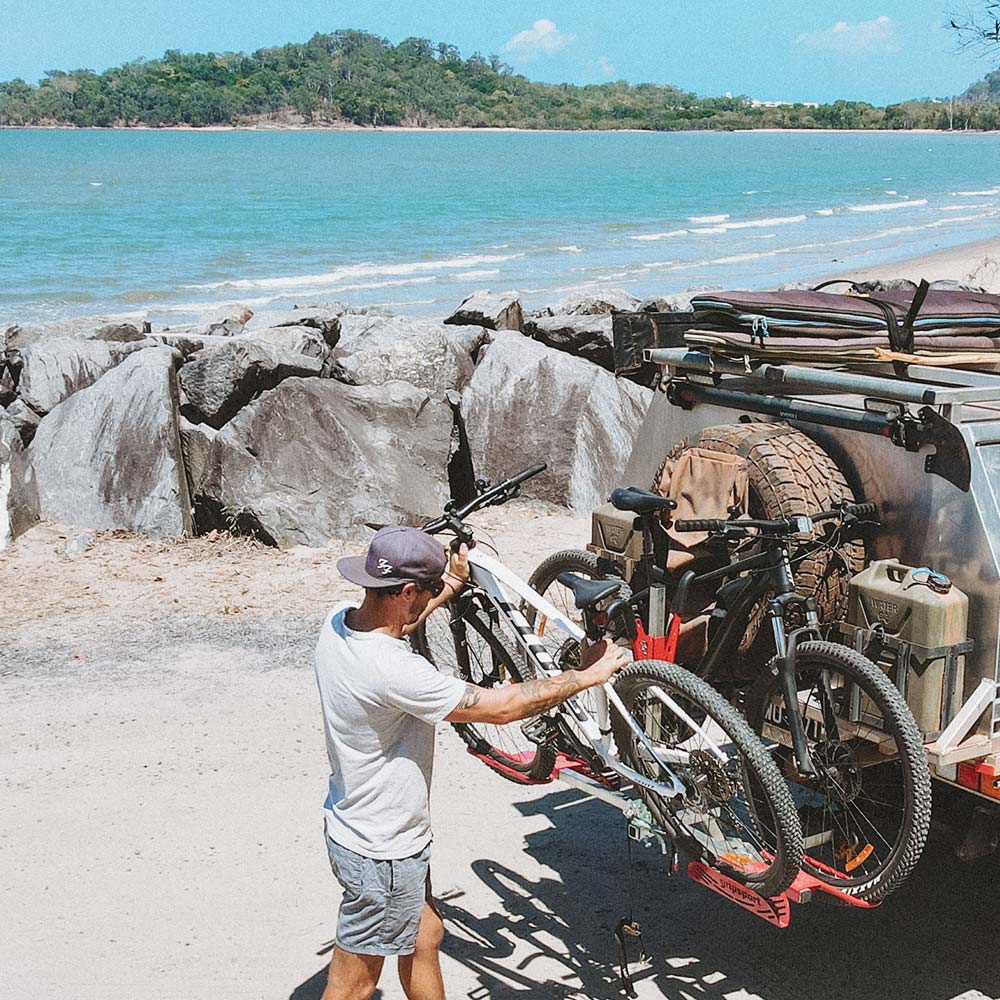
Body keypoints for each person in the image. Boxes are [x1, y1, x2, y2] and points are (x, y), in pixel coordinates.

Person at [315, 524, 628, 1000]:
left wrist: (452, 586)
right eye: (428, 590)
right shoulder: (395, 670)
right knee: (356, 985)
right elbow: (501, 707)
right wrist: (586, 676)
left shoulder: (340, 621)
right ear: (404, 591)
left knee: (425, 936)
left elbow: (401, 621)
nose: (432, 596)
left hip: (362, 828)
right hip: (383, 851)